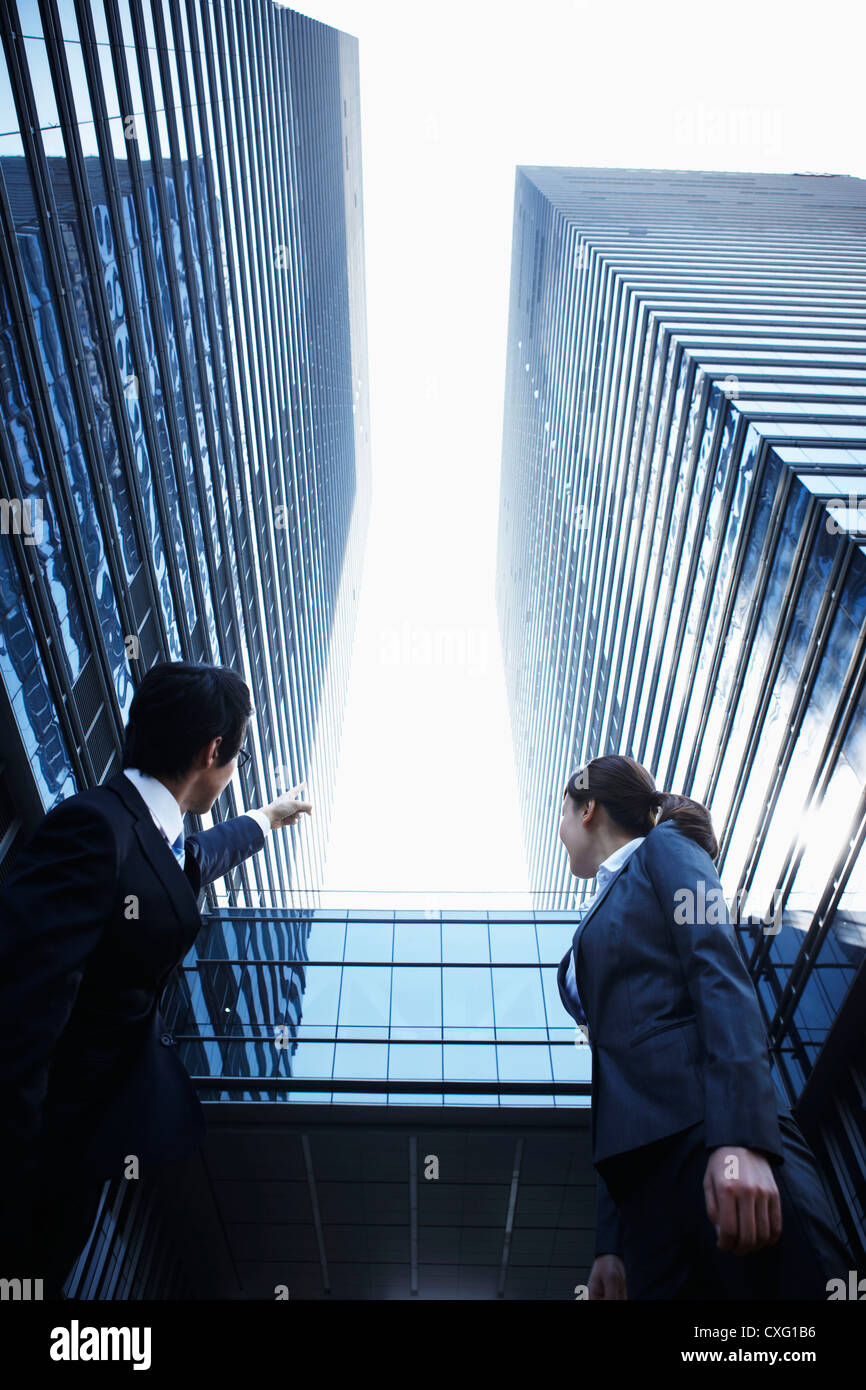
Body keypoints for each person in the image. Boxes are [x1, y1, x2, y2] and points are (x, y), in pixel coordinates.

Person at [0, 660, 312, 1299]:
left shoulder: (147, 836)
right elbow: (19, 1006)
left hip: (72, 1159)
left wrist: (266, 819)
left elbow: (193, 862)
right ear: (213, 750)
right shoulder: (97, 828)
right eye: (240, 754)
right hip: (31, 1167)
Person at [556, 753, 854, 1301]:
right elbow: (610, 1078)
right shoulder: (593, 916)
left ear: (589, 807)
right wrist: (611, 1243)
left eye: (565, 813)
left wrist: (740, 1139)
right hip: (644, 1188)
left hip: (711, 1133)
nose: (560, 831)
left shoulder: (664, 850)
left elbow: (719, 974)